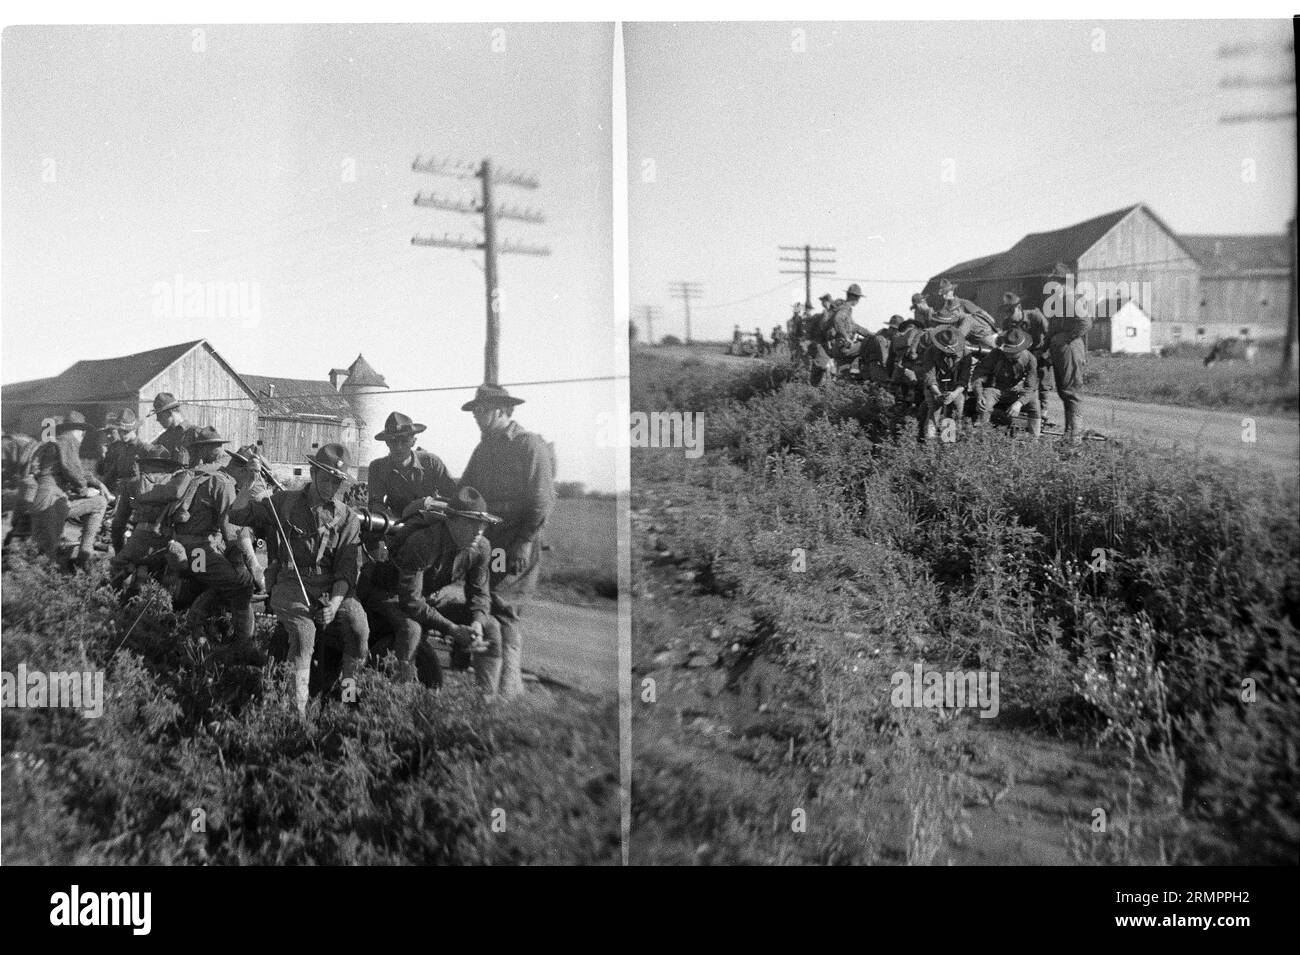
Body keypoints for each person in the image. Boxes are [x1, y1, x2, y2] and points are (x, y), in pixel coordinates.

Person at [232, 444, 368, 715]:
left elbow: (347, 571)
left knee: (358, 629)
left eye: (337, 481)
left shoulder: (347, 517)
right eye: (326, 478)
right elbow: (237, 515)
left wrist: (335, 603)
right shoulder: (286, 502)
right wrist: (248, 481)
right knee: (305, 636)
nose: (331, 486)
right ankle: (298, 713)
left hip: (331, 587)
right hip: (290, 583)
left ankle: (350, 697)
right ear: (313, 472)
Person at [459, 383, 556, 698]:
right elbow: (465, 491)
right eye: (475, 411)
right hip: (488, 541)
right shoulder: (484, 449)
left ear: (502, 410)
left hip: (515, 542)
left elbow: (542, 499)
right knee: (484, 604)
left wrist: (525, 541)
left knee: (503, 607)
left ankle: (507, 692)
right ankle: (494, 693)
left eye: (482, 411)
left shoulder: (529, 446)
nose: (477, 417)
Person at [378, 488, 514, 697]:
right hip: (389, 595)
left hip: (425, 598)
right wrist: (452, 629)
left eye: (482, 524)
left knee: (491, 626)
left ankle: (485, 703)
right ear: (451, 521)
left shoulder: (481, 547)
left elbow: (479, 594)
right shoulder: (424, 541)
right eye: (470, 523)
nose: (478, 530)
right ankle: (395, 698)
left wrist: (477, 622)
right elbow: (410, 601)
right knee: (411, 630)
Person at [27, 412, 112, 571]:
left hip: (44, 497)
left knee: (42, 549)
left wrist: (98, 483)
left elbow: (75, 468)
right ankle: (83, 557)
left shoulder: (55, 442)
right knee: (100, 503)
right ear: (78, 430)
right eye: (82, 432)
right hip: (53, 500)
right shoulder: (68, 440)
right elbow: (72, 470)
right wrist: (85, 490)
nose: (83, 436)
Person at [109, 443, 188, 591]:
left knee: (115, 573)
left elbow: (118, 523)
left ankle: (106, 602)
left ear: (145, 463)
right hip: (166, 540)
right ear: (169, 464)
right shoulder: (177, 484)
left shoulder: (132, 484)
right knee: (170, 576)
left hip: (138, 538)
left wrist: (120, 549)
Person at [366, 412, 458, 520]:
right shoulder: (377, 467)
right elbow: (376, 504)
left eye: (404, 441)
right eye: (393, 441)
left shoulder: (431, 463)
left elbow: (453, 497)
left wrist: (428, 503)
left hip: (429, 524)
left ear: (413, 442)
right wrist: (393, 520)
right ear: (387, 442)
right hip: (395, 525)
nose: (399, 447)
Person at [973, 327, 1041, 438]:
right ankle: (981, 435)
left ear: (1021, 349)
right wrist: (979, 394)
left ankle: (1034, 439)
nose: (1008, 354)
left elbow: (1031, 386)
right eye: (1007, 351)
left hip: (1017, 390)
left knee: (1034, 402)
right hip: (996, 389)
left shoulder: (1030, 359)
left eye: (1013, 352)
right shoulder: (995, 354)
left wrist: (1019, 403)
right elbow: (978, 374)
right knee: (985, 402)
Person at [1047, 290, 1094, 441]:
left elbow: (1085, 323)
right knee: (1064, 393)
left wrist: (1067, 337)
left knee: (1072, 393)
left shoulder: (1069, 299)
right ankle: (1069, 434)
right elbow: (1052, 329)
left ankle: (1075, 438)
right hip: (1060, 350)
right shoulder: (1058, 302)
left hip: (1070, 349)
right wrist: (1043, 348)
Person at [999, 293, 1052, 424]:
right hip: (1023, 353)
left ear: (1019, 308)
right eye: (1006, 312)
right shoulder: (1007, 323)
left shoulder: (1035, 316)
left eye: (1011, 311)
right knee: (1023, 381)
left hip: (1040, 351)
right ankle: (1023, 407)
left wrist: (1047, 354)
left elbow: (1049, 333)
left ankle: (1043, 412)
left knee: (1044, 380)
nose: (1009, 315)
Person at [918, 326, 976, 442]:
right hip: (935, 387)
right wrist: (938, 394)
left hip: (956, 388)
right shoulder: (930, 352)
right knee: (934, 409)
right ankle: (929, 443)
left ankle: (948, 442)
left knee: (955, 412)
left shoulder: (965, 353)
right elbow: (930, 377)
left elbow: (964, 379)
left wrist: (954, 394)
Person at [932, 279, 999, 350]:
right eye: (943, 293)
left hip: (983, 338)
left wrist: (989, 330)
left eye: (947, 292)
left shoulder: (964, 303)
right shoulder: (945, 307)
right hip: (970, 336)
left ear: (952, 291)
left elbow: (985, 315)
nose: (945, 295)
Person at [98, 408, 145, 497]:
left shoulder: (142, 449)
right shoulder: (120, 448)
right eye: (120, 431)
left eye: (126, 431)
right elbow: (113, 471)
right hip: (117, 491)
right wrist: (101, 486)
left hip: (133, 494)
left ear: (134, 429)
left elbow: (144, 479)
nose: (123, 435)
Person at [827, 283, 871, 370]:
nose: (858, 300)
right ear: (854, 297)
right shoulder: (845, 309)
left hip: (838, 347)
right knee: (868, 345)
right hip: (843, 347)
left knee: (843, 376)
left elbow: (856, 327)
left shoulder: (844, 309)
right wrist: (846, 337)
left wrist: (870, 334)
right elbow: (837, 320)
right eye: (858, 298)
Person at [149, 392, 200, 466]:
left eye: (159, 415)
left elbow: (220, 460)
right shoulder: (163, 438)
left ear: (170, 412)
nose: (157, 419)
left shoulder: (196, 434)